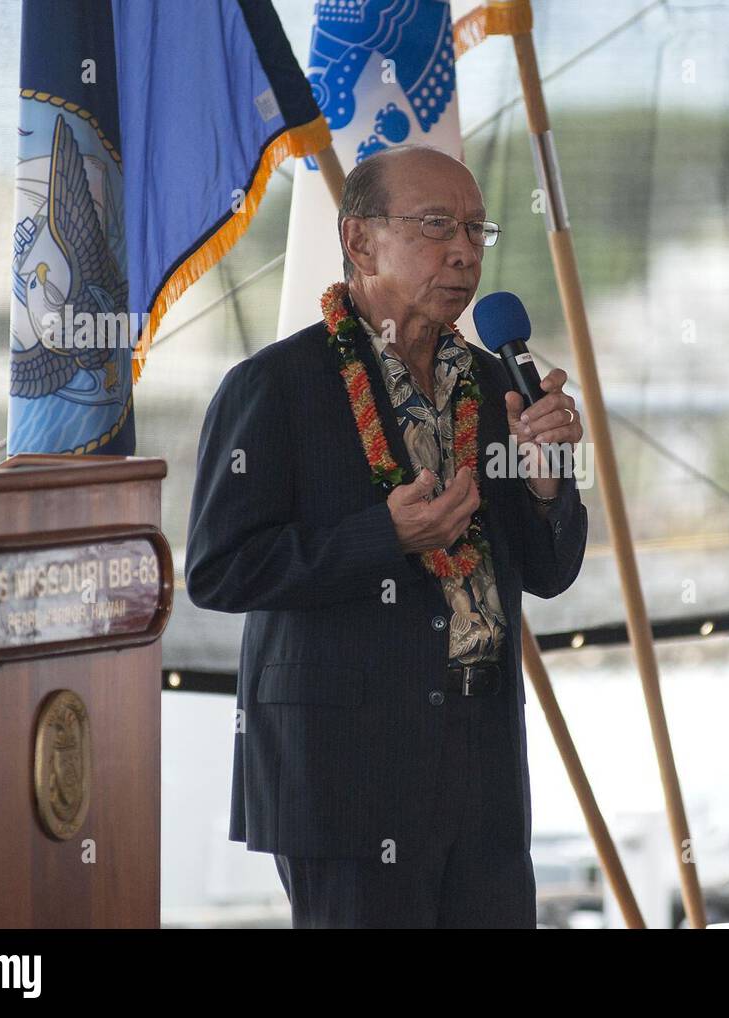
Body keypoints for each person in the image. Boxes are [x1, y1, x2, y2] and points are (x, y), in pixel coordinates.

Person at [185, 143, 588, 928]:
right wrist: (383, 537)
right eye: (438, 225)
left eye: (477, 229)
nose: (465, 251)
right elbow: (218, 571)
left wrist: (545, 481)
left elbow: (549, 569)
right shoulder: (274, 387)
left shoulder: (497, 381)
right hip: (346, 775)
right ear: (360, 241)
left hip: (481, 763)